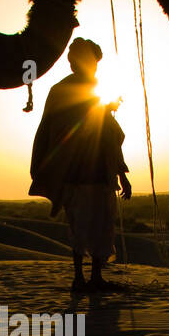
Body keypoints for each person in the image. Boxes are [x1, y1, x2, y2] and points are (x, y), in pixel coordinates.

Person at [29, 38, 131, 292]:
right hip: (76, 172)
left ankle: (94, 277)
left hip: (99, 171)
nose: (94, 66)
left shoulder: (92, 90)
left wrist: (121, 173)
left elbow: (106, 134)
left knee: (101, 225)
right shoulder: (62, 91)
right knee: (81, 225)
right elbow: (64, 127)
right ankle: (80, 278)